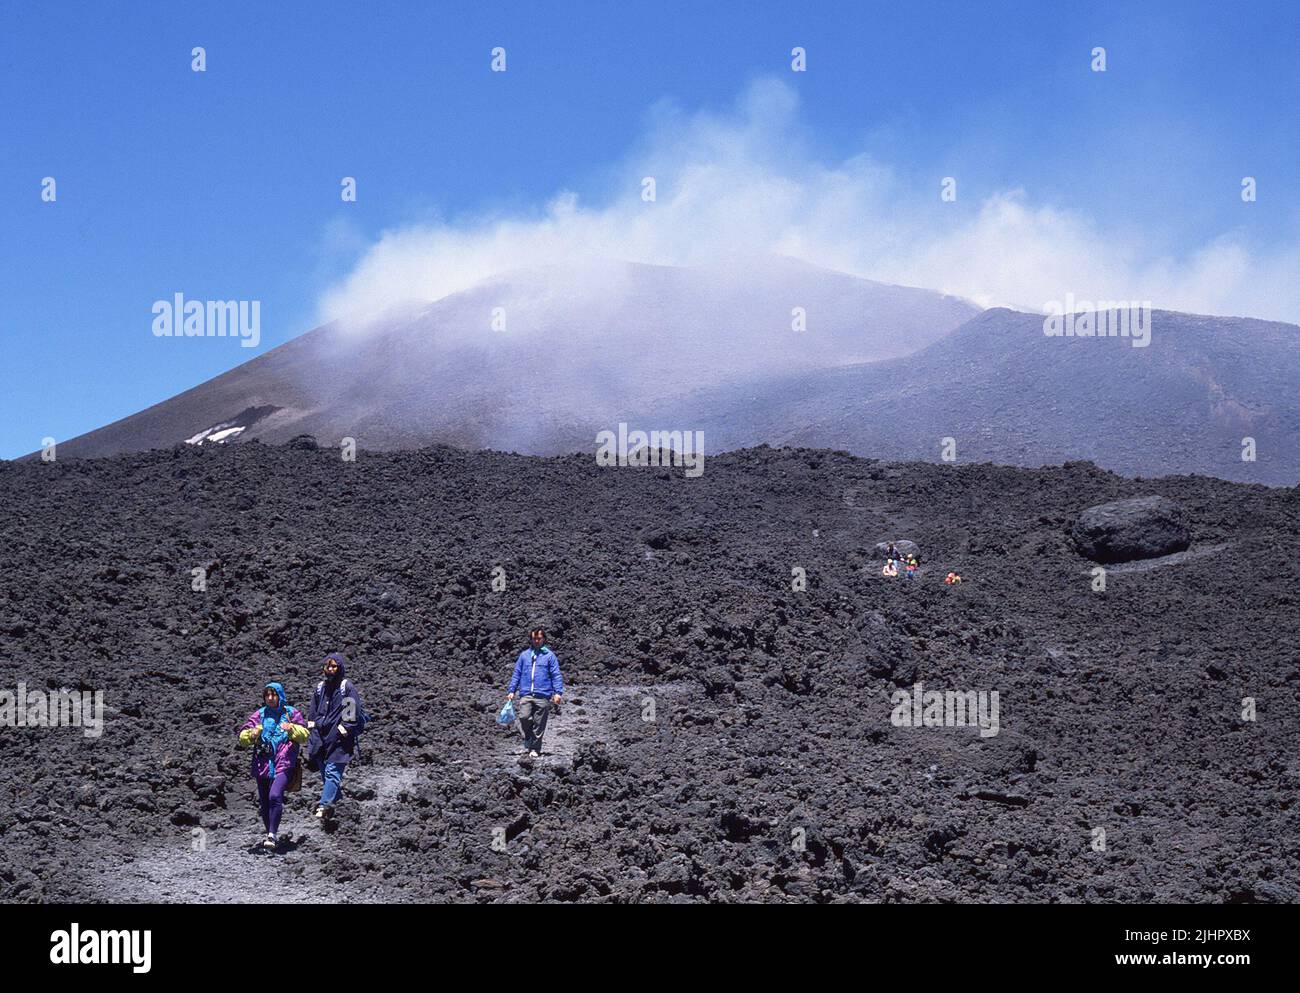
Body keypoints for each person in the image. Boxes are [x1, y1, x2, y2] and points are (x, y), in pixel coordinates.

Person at [238, 681, 309, 850]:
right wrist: (252, 734)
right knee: (264, 802)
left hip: (284, 762)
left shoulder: (291, 713)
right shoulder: (259, 715)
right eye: (267, 695)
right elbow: (242, 737)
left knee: (274, 796)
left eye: (273, 694)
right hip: (262, 763)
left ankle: (272, 834)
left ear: (280, 696)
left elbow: (305, 735)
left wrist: (291, 728)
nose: (270, 698)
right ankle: (270, 833)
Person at [305, 652, 366, 819]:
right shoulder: (320, 688)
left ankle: (324, 805)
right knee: (324, 770)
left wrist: (344, 729)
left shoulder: (346, 687)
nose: (330, 669)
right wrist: (313, 728)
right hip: (320, 736)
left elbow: (352, 710)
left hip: (338, 738)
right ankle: (337, 801)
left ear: (339, 668)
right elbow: (313, 711)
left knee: (333, 770)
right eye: (327, 666)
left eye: (334, 666)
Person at [506, 628, 564, 759]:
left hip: (543, 694)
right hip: (526, 693)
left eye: (539, 638)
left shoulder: (549, 656)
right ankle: (528, 738)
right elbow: (517, 674)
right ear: (531, 639)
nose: (536, 641)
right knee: (524, 717)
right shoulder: (524, 656)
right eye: (534, 638)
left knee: (539, 723)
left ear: (544, 639)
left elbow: (556, 675)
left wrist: (558, 692)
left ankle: (535, 748)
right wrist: (512, 690)